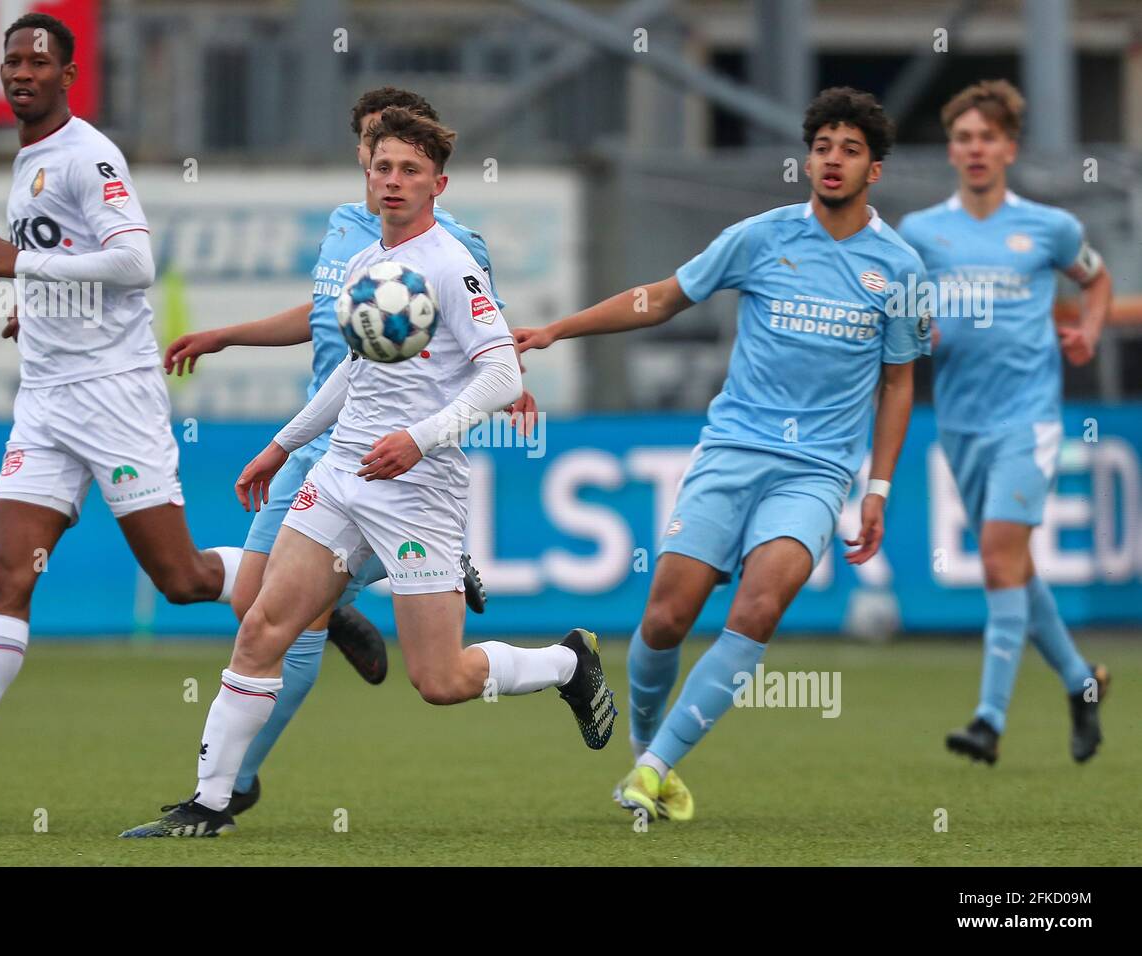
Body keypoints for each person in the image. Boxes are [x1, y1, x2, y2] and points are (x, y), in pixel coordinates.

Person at [121, 108, 615, 838]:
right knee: (261, 627)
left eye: (410, 170)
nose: (393, 181)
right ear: (368, 172)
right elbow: (354, 372)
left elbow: (504, 376)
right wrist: (284, 446)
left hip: (418, 490)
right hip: (343, 474)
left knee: (440, 682)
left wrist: (421, 438)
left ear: (438, 184)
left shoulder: (452, 264)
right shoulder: (359, 265)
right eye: (383, 167)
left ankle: (568, 665)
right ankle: (210, 804)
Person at [0, 13, 242, 808]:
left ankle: (312, 589)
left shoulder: (86, 154)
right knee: (4, 573)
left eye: (38, 61)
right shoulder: (31, 157)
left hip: (113, 396)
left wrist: (18, 262)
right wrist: (33, 300)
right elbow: (77, 266)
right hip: (46, 402)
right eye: (12, 62)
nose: (21, 73)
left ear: (68, 74)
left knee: (181, 579)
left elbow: (136, 262)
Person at [516, 88, 928, 821]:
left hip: (817, 472)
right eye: (823, 146)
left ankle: (652, 769)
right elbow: (663, 298)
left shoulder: (898, 268)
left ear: (876, 171)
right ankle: (649, 754)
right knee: (667, 619)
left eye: (851, 149)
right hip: (732, 452)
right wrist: (559, 329)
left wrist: (879, 489)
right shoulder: (761, 237)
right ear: (807, 158)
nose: (832, 160)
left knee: (759, 607)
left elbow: (899, 382)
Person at [897, 80, 1113, 764]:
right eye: (963, 137)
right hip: (960, 422)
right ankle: (1081, 683)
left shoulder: (1048, 228)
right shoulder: (922, 233)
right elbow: (908, 314)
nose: (975, 148)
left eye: (987, 136)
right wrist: (917, 331)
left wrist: (1091, 329)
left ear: (1009, 147)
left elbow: (1097, 279)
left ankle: (989, 719)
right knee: (1014, 564)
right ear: (952, 150)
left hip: (1030, 419)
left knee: (996, 558)